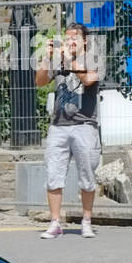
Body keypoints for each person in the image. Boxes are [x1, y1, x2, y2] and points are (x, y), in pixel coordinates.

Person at [36, 23, 103, 238]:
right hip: (59, 125)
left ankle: (86, 220)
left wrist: (69, 59)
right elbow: (40, 81)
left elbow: (88, 79)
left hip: (85, 125)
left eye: (75, 38)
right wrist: (47, 57)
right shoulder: (58, 60)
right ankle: (55, 222)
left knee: (87, 176)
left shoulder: (93, 59)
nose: (70, 41)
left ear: (85, 40)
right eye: (67, 38)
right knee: (53, 175)